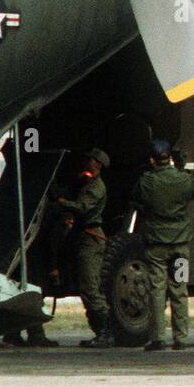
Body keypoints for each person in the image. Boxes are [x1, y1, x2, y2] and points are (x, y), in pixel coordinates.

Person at [131, 140, 194, 351]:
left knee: (157, 290)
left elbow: (137, 199)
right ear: (169, 158)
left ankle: (158, 338)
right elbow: (192, 193)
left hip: (156, 246)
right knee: (180, 288)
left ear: (152, 160)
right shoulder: (185, 180)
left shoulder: (147, 182)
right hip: (181, 245)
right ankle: (181, 338)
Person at [56, 148, 112, 349]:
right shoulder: (88, 183)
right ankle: (99, 332)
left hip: (91, 239)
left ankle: (105, 332)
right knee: (86, 287)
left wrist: (63, 202)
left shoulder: (96, 188)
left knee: (91, 287)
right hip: (84, 236)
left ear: (97, 163)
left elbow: (82, 208)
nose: (87, 162)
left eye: (90, 160)